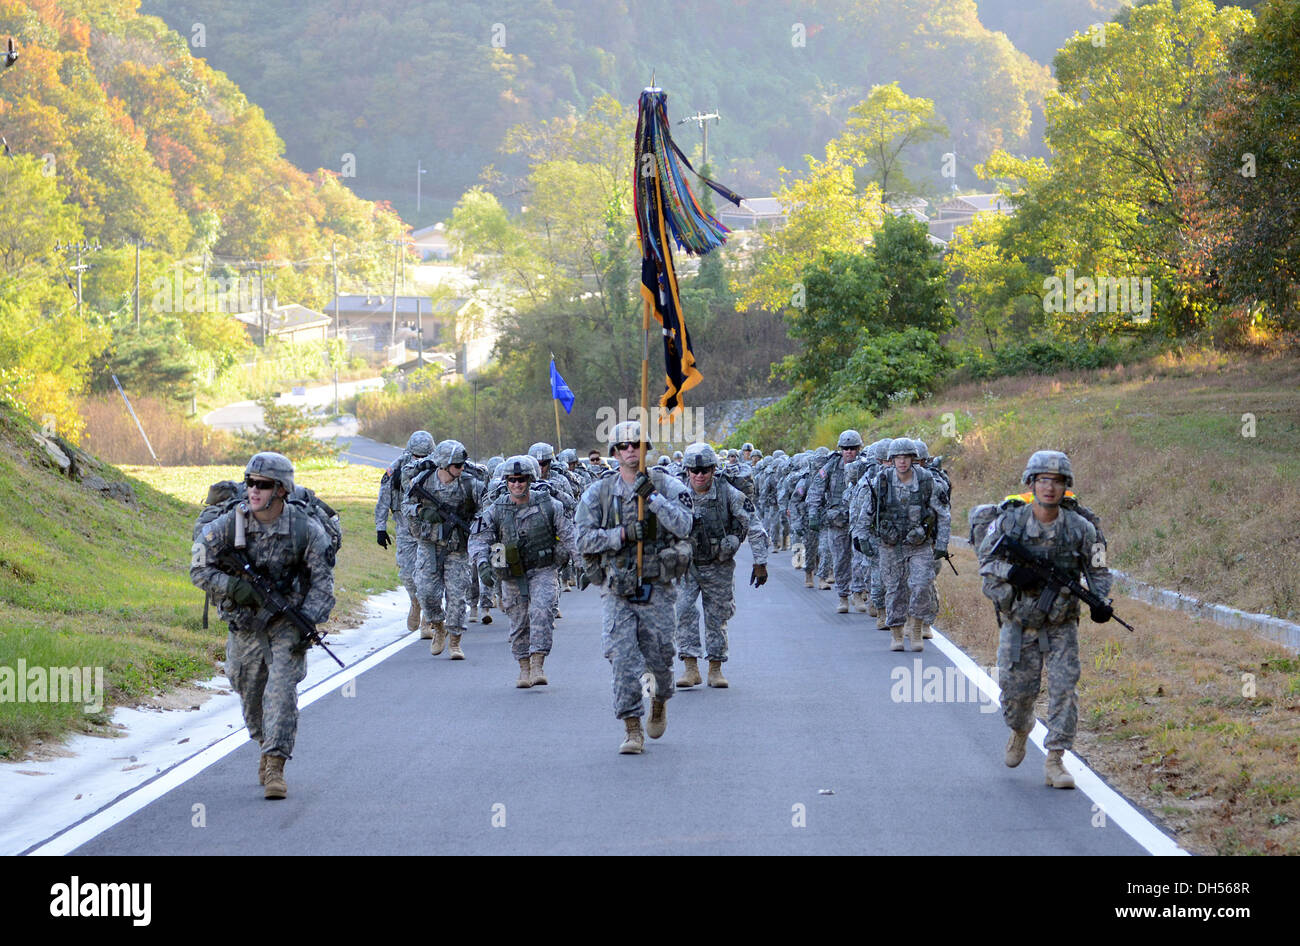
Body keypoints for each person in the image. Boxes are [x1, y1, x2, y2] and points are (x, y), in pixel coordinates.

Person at [190, 452, 335, 800]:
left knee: (281, 689)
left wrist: (306, 622)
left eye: (263, 485)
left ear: (282, 490)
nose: (253, 490)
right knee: (248, 689)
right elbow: (198, 567)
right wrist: (235, 588)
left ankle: (275, 763)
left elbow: (323, 585)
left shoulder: (305, 529)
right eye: (250, 482)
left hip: (287, 621)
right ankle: (263, 741)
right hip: (245, 622)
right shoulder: (231, 523)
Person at [977, 450, 1114, 789]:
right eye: (1043, 481)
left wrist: (1101, 601)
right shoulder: (1010, 523)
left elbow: (1098, 568)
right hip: (1019, 622)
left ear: (1066, 487)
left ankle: (1055, 759)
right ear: (1031, 483)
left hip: (1061, 622)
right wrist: (1012, 574)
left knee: (1064, 689)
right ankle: (1021, 730)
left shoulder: (1081, 528)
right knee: (1014, 695)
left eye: (1057, 482)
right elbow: (985, 564)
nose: (1049, 488)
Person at [574, 421, 694, 754]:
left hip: (656, 587)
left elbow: (685, 525)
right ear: (614, 452)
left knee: (659, 658)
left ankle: (659, 699)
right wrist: (622, 535)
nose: (630, 450)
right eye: (623, 445)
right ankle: (631, 727)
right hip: (618, 590)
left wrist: (651, 498)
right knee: (623, 659)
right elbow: (582, 539)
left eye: (636, 444)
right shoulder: (599, 493)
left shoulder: (667, 486)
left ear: (645, 449)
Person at [470, 455, 576, 688]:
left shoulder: (550, 506)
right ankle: (524, 667)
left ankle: (538, 663)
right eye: (512, 480)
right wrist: (483, 564)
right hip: (511, 573)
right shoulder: (496, 509)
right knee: (518, 622)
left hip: (543, 569)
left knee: (542, 610)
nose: (517, 484)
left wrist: (586, 565)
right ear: (506, 482)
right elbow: (479, 539)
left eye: (522, 480)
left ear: (531, 480)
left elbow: (570, 537)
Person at [673, 442, 769, 688]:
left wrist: (760, 562)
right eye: (694, 470)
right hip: (687, 564)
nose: (699, 475)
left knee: (717, 616)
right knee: (683, 610)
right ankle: (690, 666)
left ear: (714, 470)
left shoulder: (730, 494)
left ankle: (715, 668)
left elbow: (755, 526)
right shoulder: (676, 493)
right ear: (687, 471)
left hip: (718, 564)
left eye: (705, 469)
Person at [404, 439, 483, 660]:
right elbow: (405, 505)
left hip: (458, 548)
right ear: (443, 464)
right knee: (427, 593)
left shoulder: (470, 485)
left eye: (462, 464)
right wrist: (421, 511)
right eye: (457, 465)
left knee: (457, 597)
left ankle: (455, 641)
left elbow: (485, 510)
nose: (461, 468)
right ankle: (438, 626)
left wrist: (475, 527)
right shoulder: (424, 481)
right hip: (429, 545)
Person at [870, 438, 950, 652]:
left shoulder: (926, 481)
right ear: (892, 459)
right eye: (898, 457)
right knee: (895, 589)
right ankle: (896, 633)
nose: (902, 461)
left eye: (906, 457)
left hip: (919, 544)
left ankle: (915, 628)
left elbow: (942, 513)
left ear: (913, 459)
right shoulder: (882, 481)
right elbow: (867, 513)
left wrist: (941, 543)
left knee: (922, 584)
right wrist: (863, 540)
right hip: (890, 545)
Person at [376, 431, 433, 634]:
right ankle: (415, 601)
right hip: (405, 527)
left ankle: (429, 617)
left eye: (424, 455)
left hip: (430, 529)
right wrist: (380, 527)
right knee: (408, 573)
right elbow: (384, 495)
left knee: (428, 574)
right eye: (417, 456)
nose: (420, 460)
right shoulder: (397, 468)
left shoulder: (438, 468)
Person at [806, 429, 863, 613]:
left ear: (858, 449)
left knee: (860, 559)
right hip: (836, 521)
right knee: (840, 560)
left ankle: (858, 593)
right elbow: (815, 490)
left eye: (853, 448)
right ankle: (843, 597)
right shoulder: (830, 467)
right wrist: (813, 514)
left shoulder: (865, 467)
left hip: (860, 522)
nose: (849, 452)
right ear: (840, 449)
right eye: (845, 448)